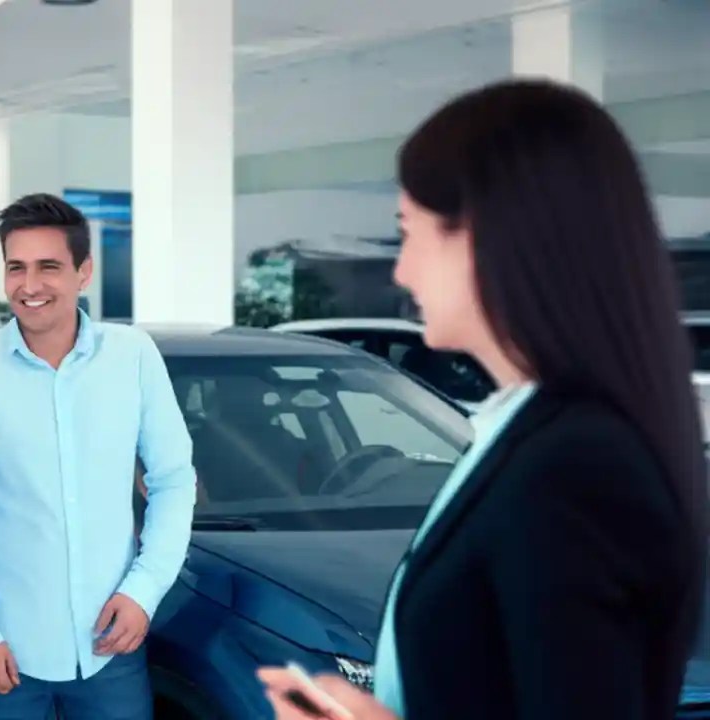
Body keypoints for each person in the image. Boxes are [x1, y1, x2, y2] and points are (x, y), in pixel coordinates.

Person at [260, 79, 707, 720]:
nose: (400, 270)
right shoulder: (532, 432)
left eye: (409, 232)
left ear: (487, 237)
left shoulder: (576, 466)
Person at [0, 193, 198, 719]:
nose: (29, 286)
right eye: (16, 268)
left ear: (84, 271)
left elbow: (173, 479)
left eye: (48, 266)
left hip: (110, 648)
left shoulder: (133, 356)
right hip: (0, 652)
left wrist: (144, 590)